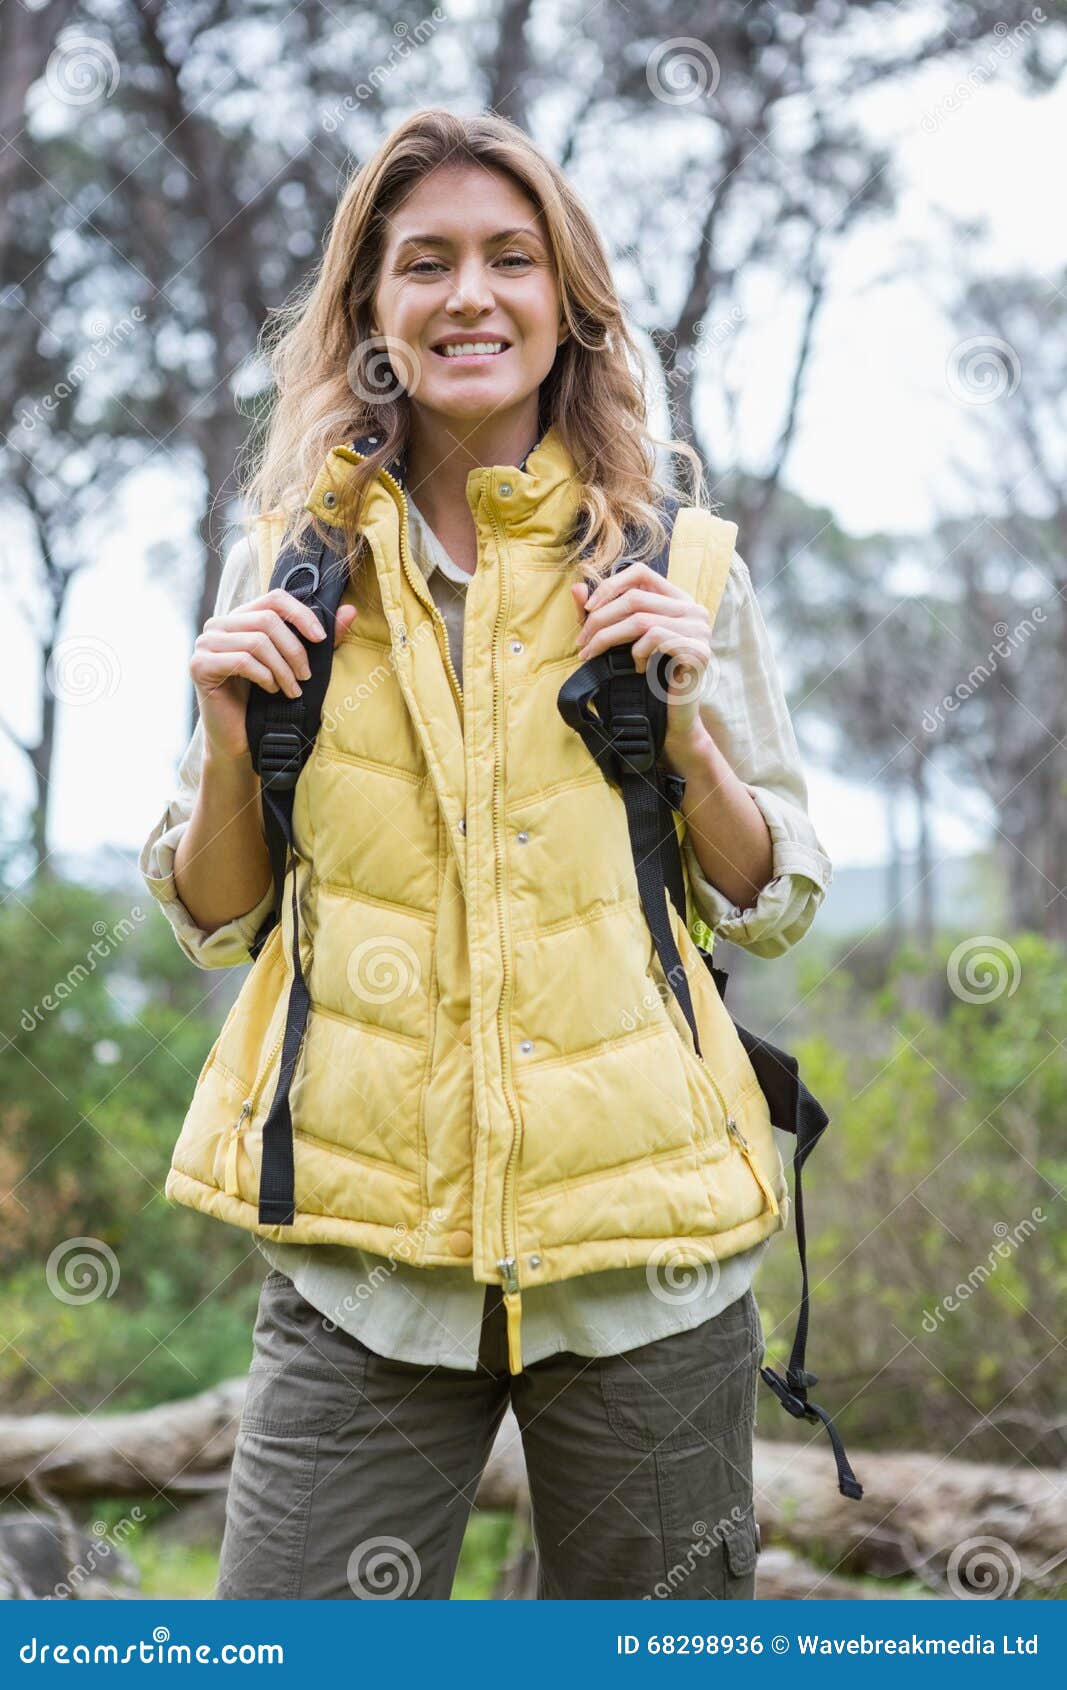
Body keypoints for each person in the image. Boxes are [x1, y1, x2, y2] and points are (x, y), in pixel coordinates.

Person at [140, 107, 832, 1602]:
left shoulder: (680, 559)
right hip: (360, 1261)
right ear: (369, 310)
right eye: (426, 262)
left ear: (567, 304)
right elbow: (211, 916)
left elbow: (775, 893)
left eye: (511, 259)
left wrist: (691, 730)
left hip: (648, 1255)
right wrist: (217, 734)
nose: (471, 295)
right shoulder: (286, 563)